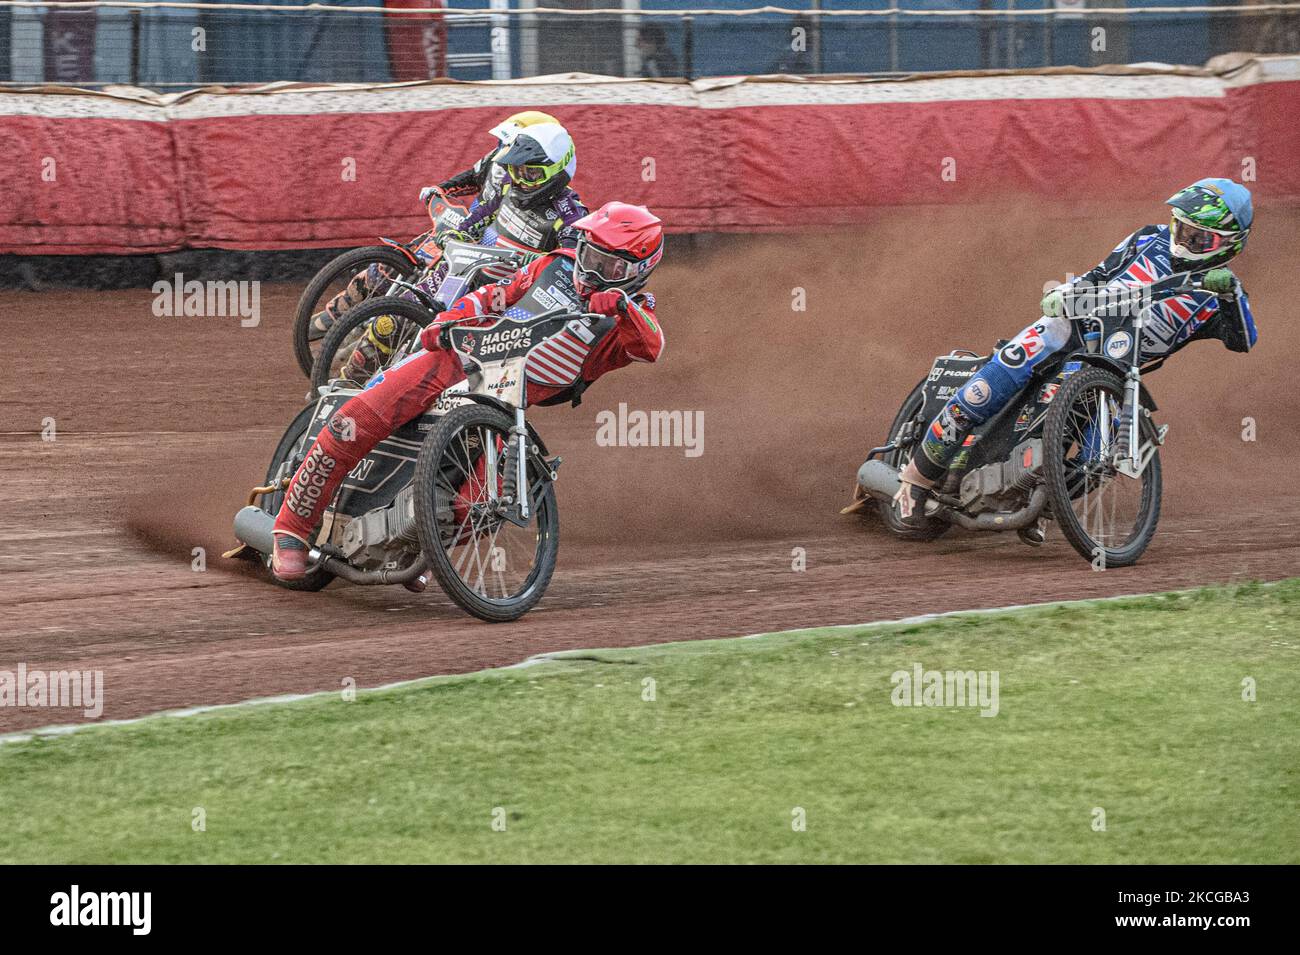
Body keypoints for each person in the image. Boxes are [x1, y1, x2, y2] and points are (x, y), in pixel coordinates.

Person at [271, 201, 666, 581]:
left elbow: (651, 346)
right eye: (589, 253)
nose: (591, 268)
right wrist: (450, 318)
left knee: (482, 505)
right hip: (458, 356)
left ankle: (416, 549)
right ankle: (291, 528)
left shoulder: (627, 318)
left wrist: (619, 307)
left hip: (506, 401)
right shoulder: (555, 264)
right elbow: (496, 295)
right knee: (353, 422)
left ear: (637, 271)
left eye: (607, 264)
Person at [893, 177, 1258, 540]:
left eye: (1198, 238)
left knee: (1102, 458)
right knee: (988, 388)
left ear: (1229, 245)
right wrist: (1066, 293)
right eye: (1181, 228)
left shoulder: (1218, 293)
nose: (1183, 241)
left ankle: (1039, 501)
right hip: (1069, 331)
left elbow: (1244, 339)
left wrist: (1229, 294)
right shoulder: (1149, 239)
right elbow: (1098, 275)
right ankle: (914, 479)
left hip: (1116, 371)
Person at [336, 121, 590, 382]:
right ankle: (347, 383)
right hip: (464, 268)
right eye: (516, 171)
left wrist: (536, 261)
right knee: (389, 322)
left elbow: (570, 261)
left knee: (450, 358)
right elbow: (483, 212)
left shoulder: (570, 212)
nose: (521, 180)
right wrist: (460, 232)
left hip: (503, 295)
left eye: (531, 174)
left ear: (558, 170)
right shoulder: (509, 188)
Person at [307, 111, 561, 342]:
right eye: (506, 143)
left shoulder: (540, 189)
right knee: (389, 263)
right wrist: (441, 188)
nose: (505, 149)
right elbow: (472, 177)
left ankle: (388, 331)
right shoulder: (496, 157)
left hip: (485, 248)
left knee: (432, 297)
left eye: (511, 143)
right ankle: (336, 312)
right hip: (461, 227)